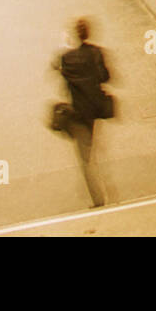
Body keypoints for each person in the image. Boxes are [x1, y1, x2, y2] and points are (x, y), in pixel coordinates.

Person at [53, 18, 111, 207]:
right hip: (96, 109)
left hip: (79, 113)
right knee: (90, 145)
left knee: (86, 160)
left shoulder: (67, 59)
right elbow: (106, 77)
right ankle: (92, 148)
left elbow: (59, 72)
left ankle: (99, 201)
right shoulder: (96, 53)